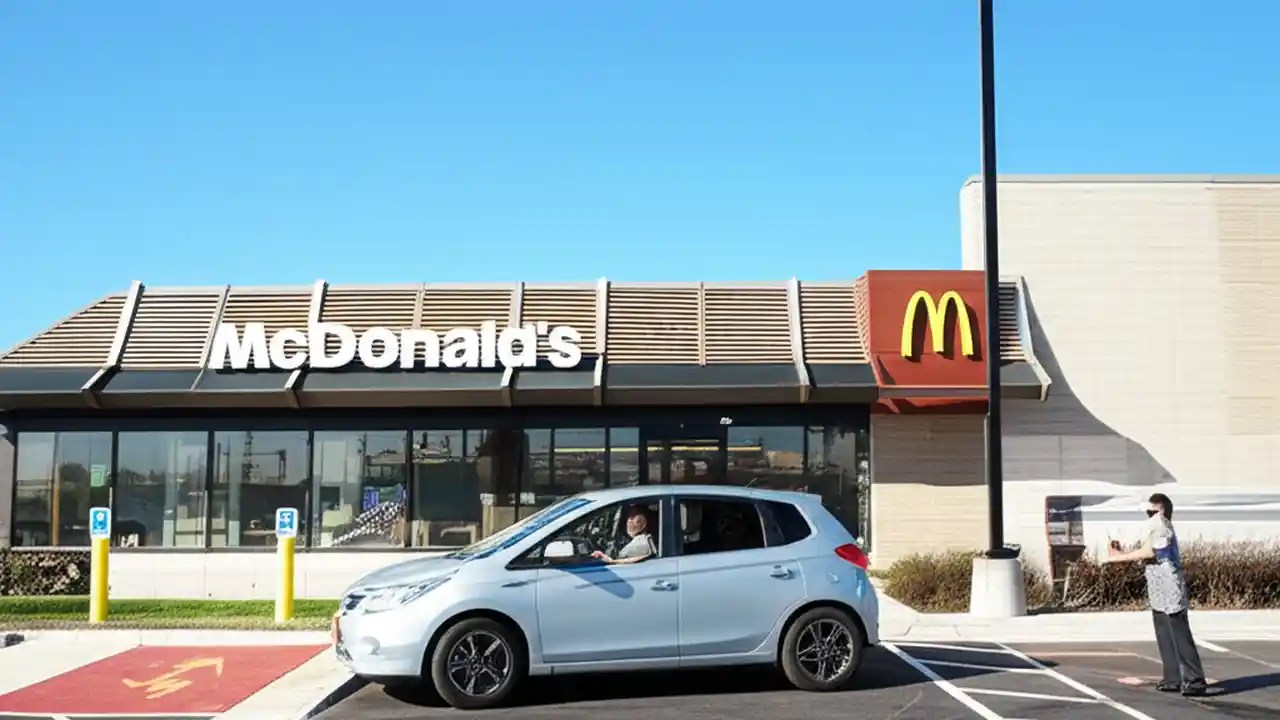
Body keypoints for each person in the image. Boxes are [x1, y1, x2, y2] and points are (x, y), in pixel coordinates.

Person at [1102, 493, 1207, 697]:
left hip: (1169, 584)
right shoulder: (1155, 527)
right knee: (1163, 630)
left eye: (1150, 511)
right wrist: (1122, 554)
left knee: (1178, 630)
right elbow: (1145, 549)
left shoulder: (1162, 525)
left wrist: (1118, 558)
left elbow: (1150, 552)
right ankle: (1172, 678)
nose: (1147, 515)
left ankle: (1195, 679)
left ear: (1160, 511)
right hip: (1157, 585)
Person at [591, 505, 656, 565]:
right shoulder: (645, 540)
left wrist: (611, 561)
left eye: (633, 517)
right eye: (629, 517)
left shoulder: (640, 544)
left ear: (645, 521)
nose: (629, 521)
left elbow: (633, 561)